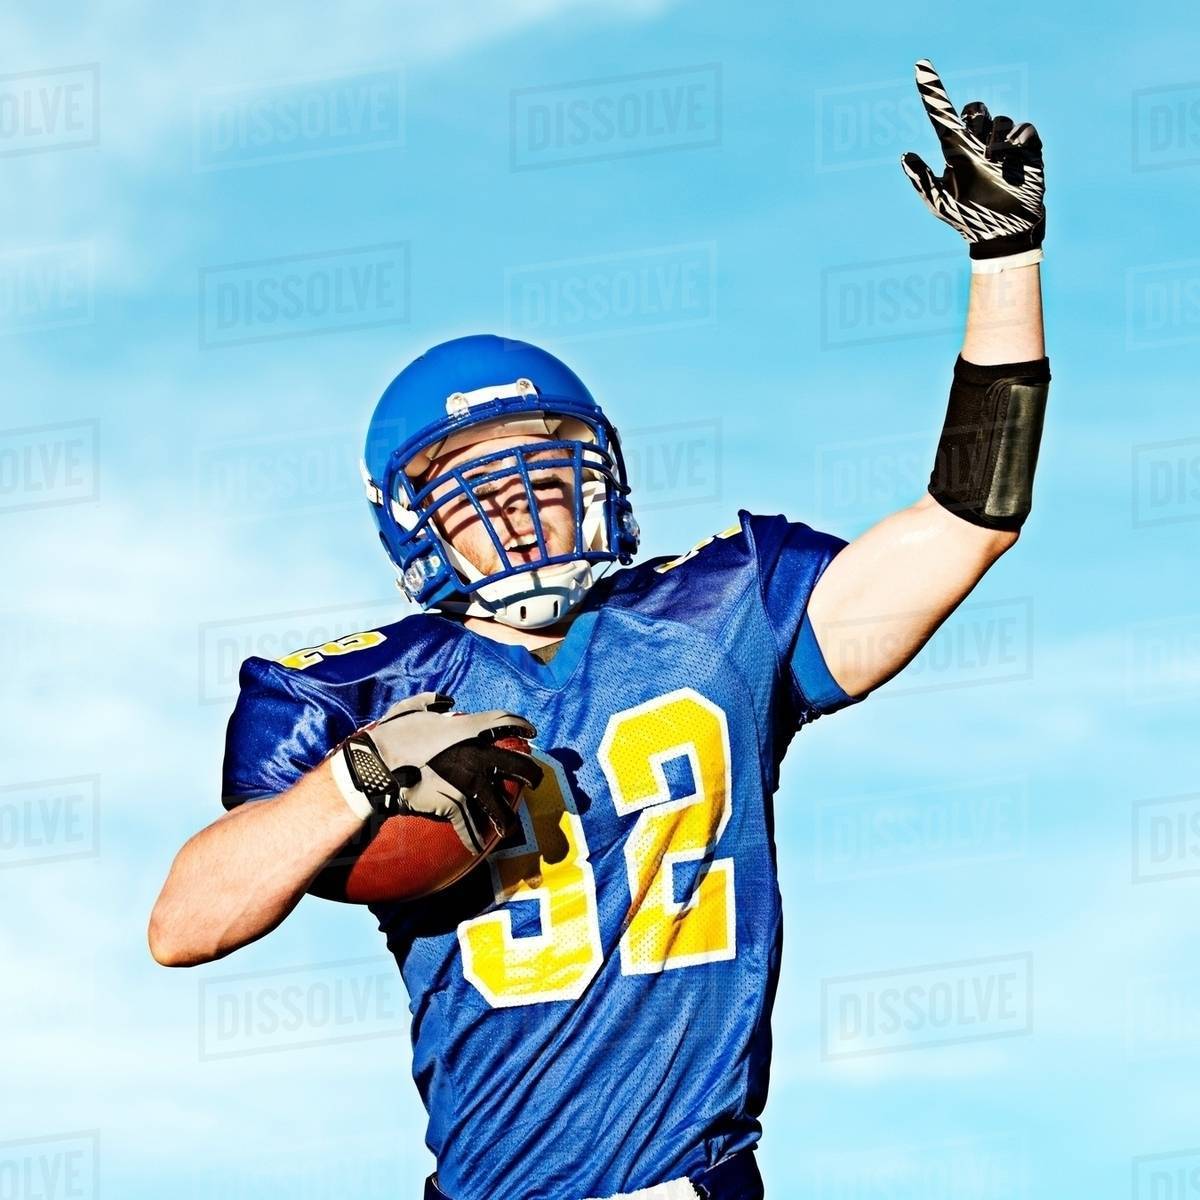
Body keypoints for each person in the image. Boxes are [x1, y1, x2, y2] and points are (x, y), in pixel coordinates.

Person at [149, 61, 1050, 1200]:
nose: (523, 513)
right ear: (418, 529)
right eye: (481, 493)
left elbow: (969, 521)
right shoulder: (360, 686)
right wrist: (357, 780)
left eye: (546, 476)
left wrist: (1004, 265)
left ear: (604, 477)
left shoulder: (722, 609)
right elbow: (184, 922)